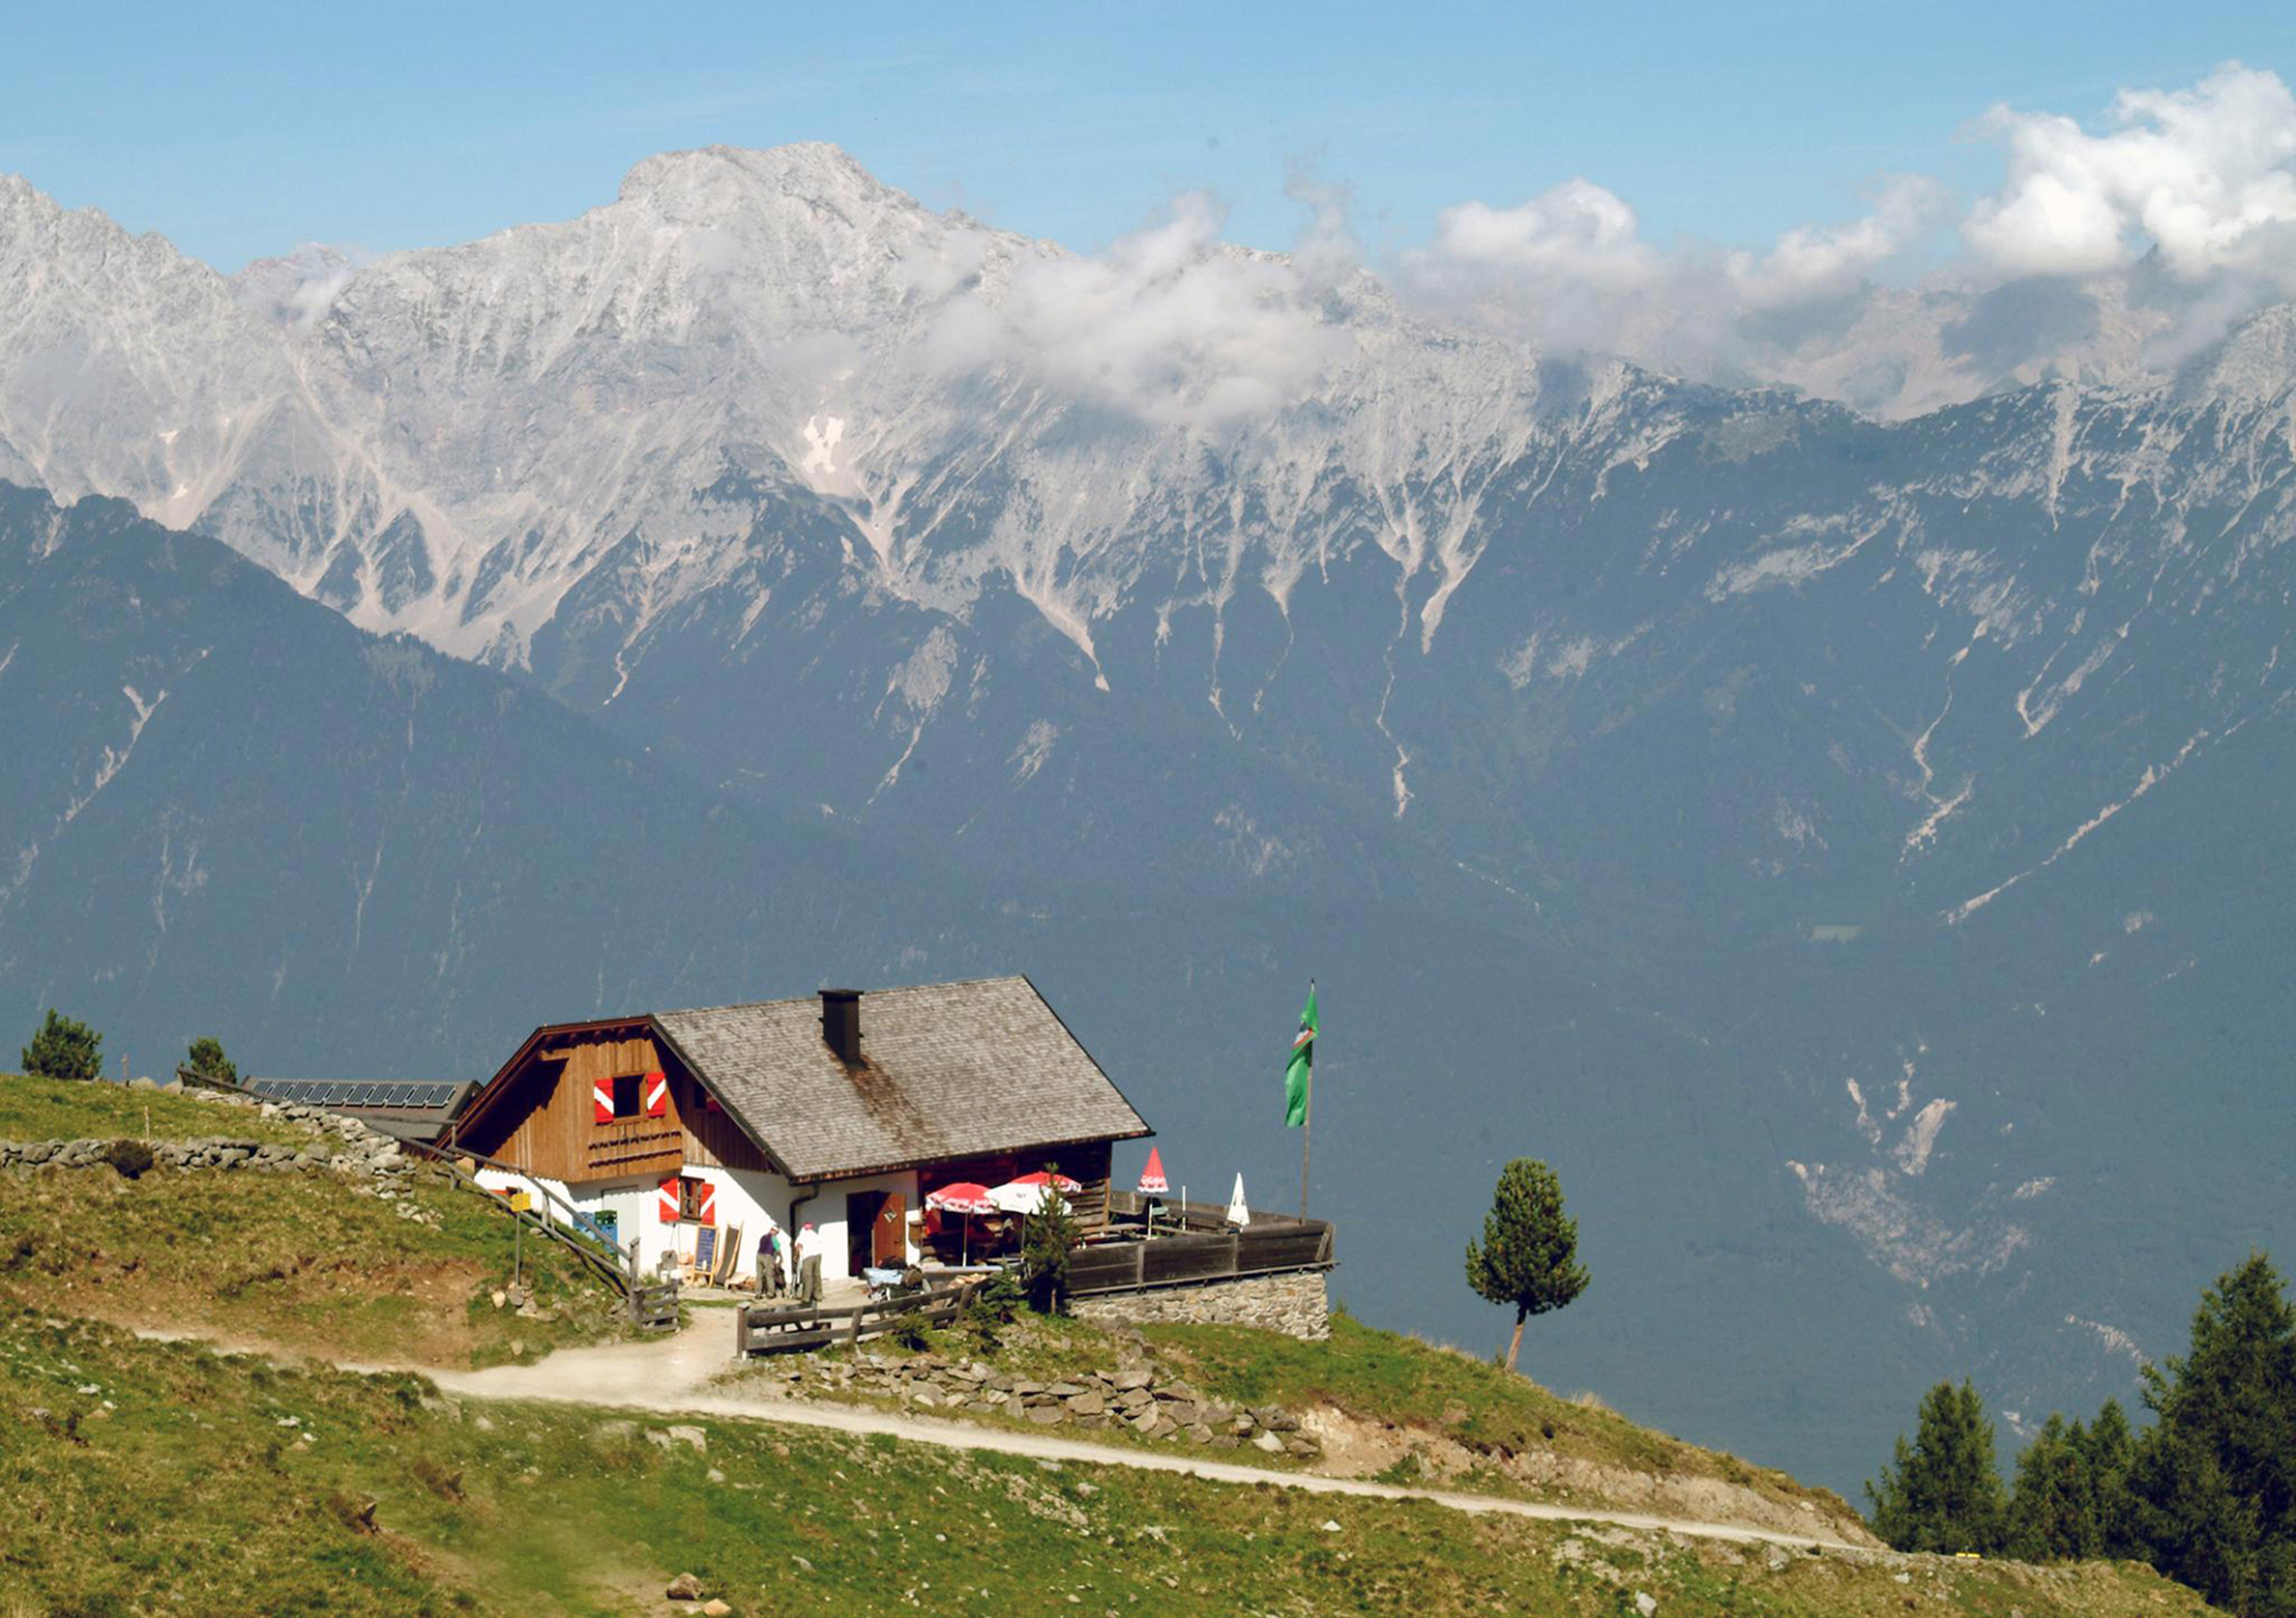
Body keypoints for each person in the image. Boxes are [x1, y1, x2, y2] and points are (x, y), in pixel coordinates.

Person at [795, 1221, 823, 1306]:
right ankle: (818, 1296)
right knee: (817, 1276)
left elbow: (798, 1246)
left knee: (808, 1277)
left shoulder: (802, 1236)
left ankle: (807, 1298)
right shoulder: (815, 1235)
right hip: (818, 1256)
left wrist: (796, 1256)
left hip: (808, 1257)